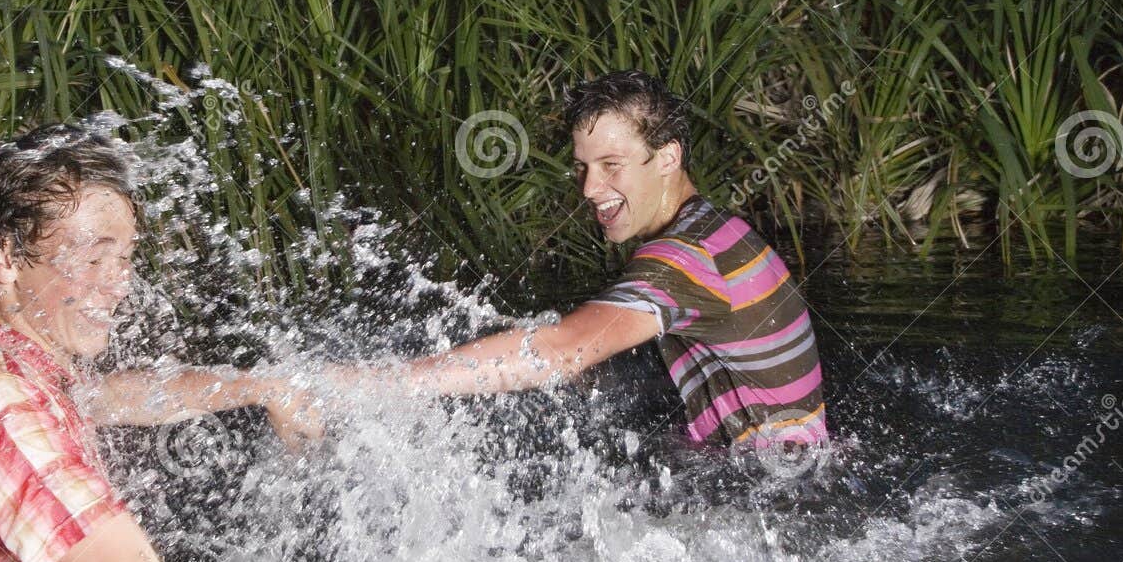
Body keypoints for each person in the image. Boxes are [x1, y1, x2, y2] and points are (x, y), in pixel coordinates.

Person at [0, 123, 443, 562]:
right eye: (92, 260)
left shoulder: (6, 362)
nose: (117, 285)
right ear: (4, 257)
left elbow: (109, 395)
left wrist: (259, 387)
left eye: (124, 259)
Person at [328, 70, 827, 449]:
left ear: (668, 157)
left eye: (612, 165)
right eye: (584, 167)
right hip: (786, 470)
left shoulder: (687, 257)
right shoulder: (715, 230)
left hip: (771, 496)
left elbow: (564, 349)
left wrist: (359, 388)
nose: (589, 188)